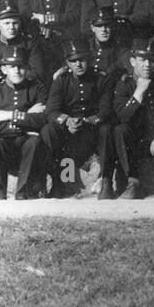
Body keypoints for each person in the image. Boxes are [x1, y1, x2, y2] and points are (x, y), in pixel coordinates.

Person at [101, 43, 154, 200]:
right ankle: (132, 181)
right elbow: (122, 116)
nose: (147, 65)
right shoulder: (125, 84)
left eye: (150, 60)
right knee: (119, 130)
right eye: (142, 60)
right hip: (134, 141)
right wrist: (139, 92)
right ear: (133, 61)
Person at [0, 44, 50, 200]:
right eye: (12, 67)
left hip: (27, 144)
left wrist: (9, 115)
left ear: (27, 69)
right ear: (4, 69)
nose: (17, 71)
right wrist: (25, 120)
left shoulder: (37, 89)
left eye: (21, 66)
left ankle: (23, 192)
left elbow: (43, 119)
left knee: (34, 142)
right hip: (3, 144)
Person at [42, 39, 106, 198]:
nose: (78, 64)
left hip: (92, 131)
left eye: (82, 60)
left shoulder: (100, 78)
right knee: (48, 130)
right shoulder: (62, 80)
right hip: (68, 132)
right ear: (67, 63)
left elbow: (106, 111)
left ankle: (103, 178)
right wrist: (67, 120)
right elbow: (51, 111)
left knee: (107, 130)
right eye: (73, 61)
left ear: (88, 60)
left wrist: (85, 121)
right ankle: (60, 183)